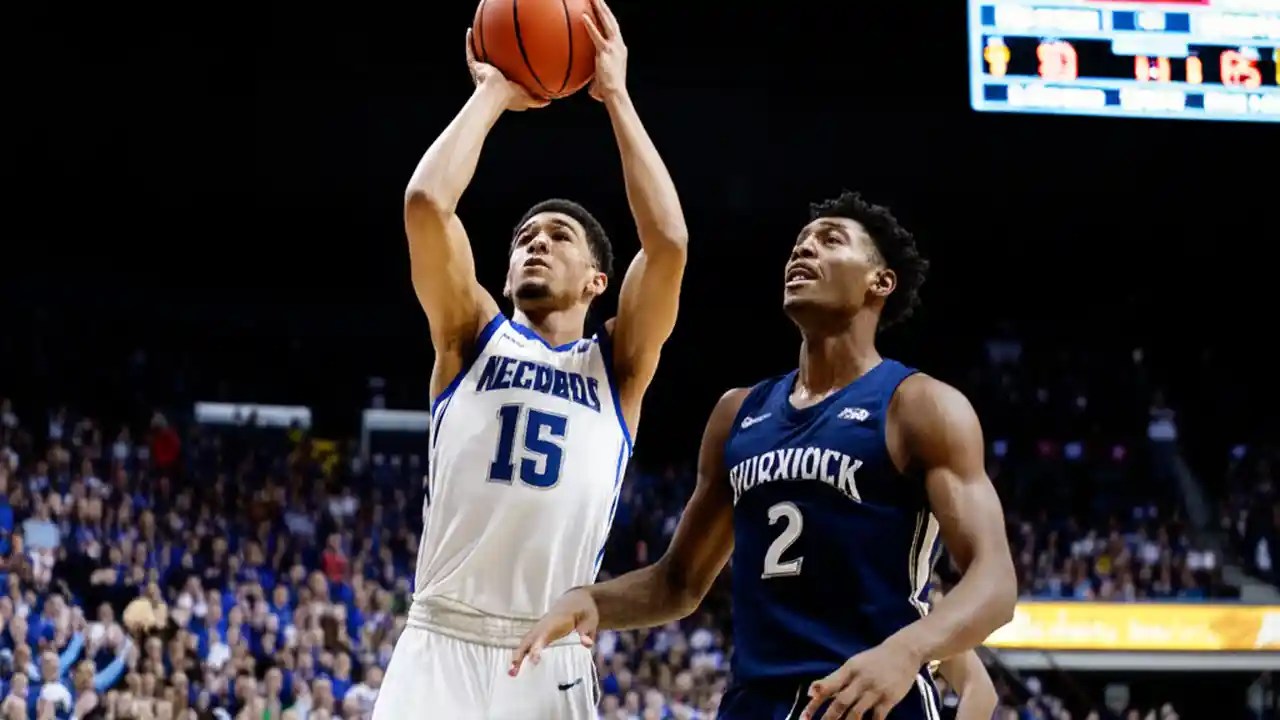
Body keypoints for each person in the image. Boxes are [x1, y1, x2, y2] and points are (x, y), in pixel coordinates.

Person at [512, 191, 1017, 720]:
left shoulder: (919, 406)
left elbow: (995, 582)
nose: (803, 252)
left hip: (871, 700)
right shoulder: (737, 414)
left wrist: (907, 651)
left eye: (830, 241)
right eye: (799, 244)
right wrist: (593, 601)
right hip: (752, 704)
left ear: (880, 283)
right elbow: (679, 583)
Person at [371, 0, 687, 717]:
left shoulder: (619, 366)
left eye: (558, 236)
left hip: (552, 647)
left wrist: (617, 97)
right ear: (506, 272)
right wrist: (493, 92)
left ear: (596, 281)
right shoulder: (468, 335)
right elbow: (425, 203)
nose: (535, 243)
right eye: (523, 238)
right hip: (439, 637)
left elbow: (668, 243)